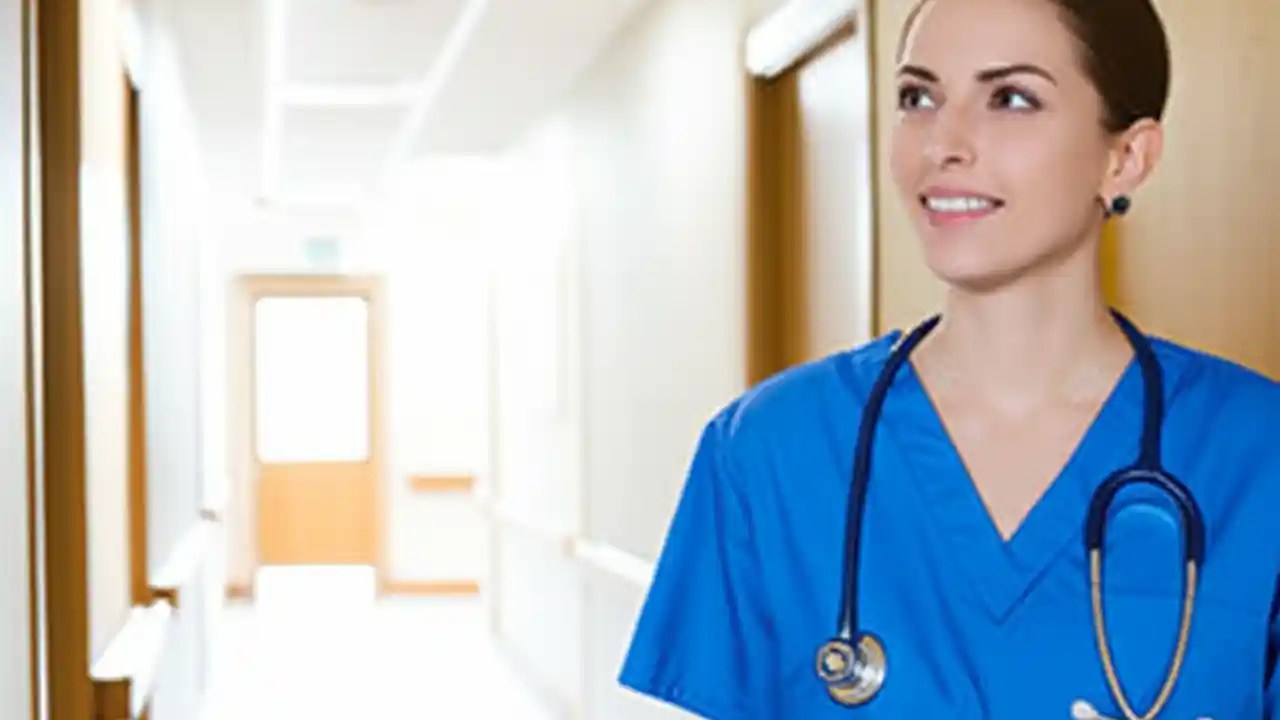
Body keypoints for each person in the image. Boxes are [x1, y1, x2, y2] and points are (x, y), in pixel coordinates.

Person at [616, 0, 1280, 717]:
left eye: (1011, 99)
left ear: (1126, 157)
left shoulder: (1256, 453)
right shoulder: (768, 451)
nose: (944, 143)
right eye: (918, 97)